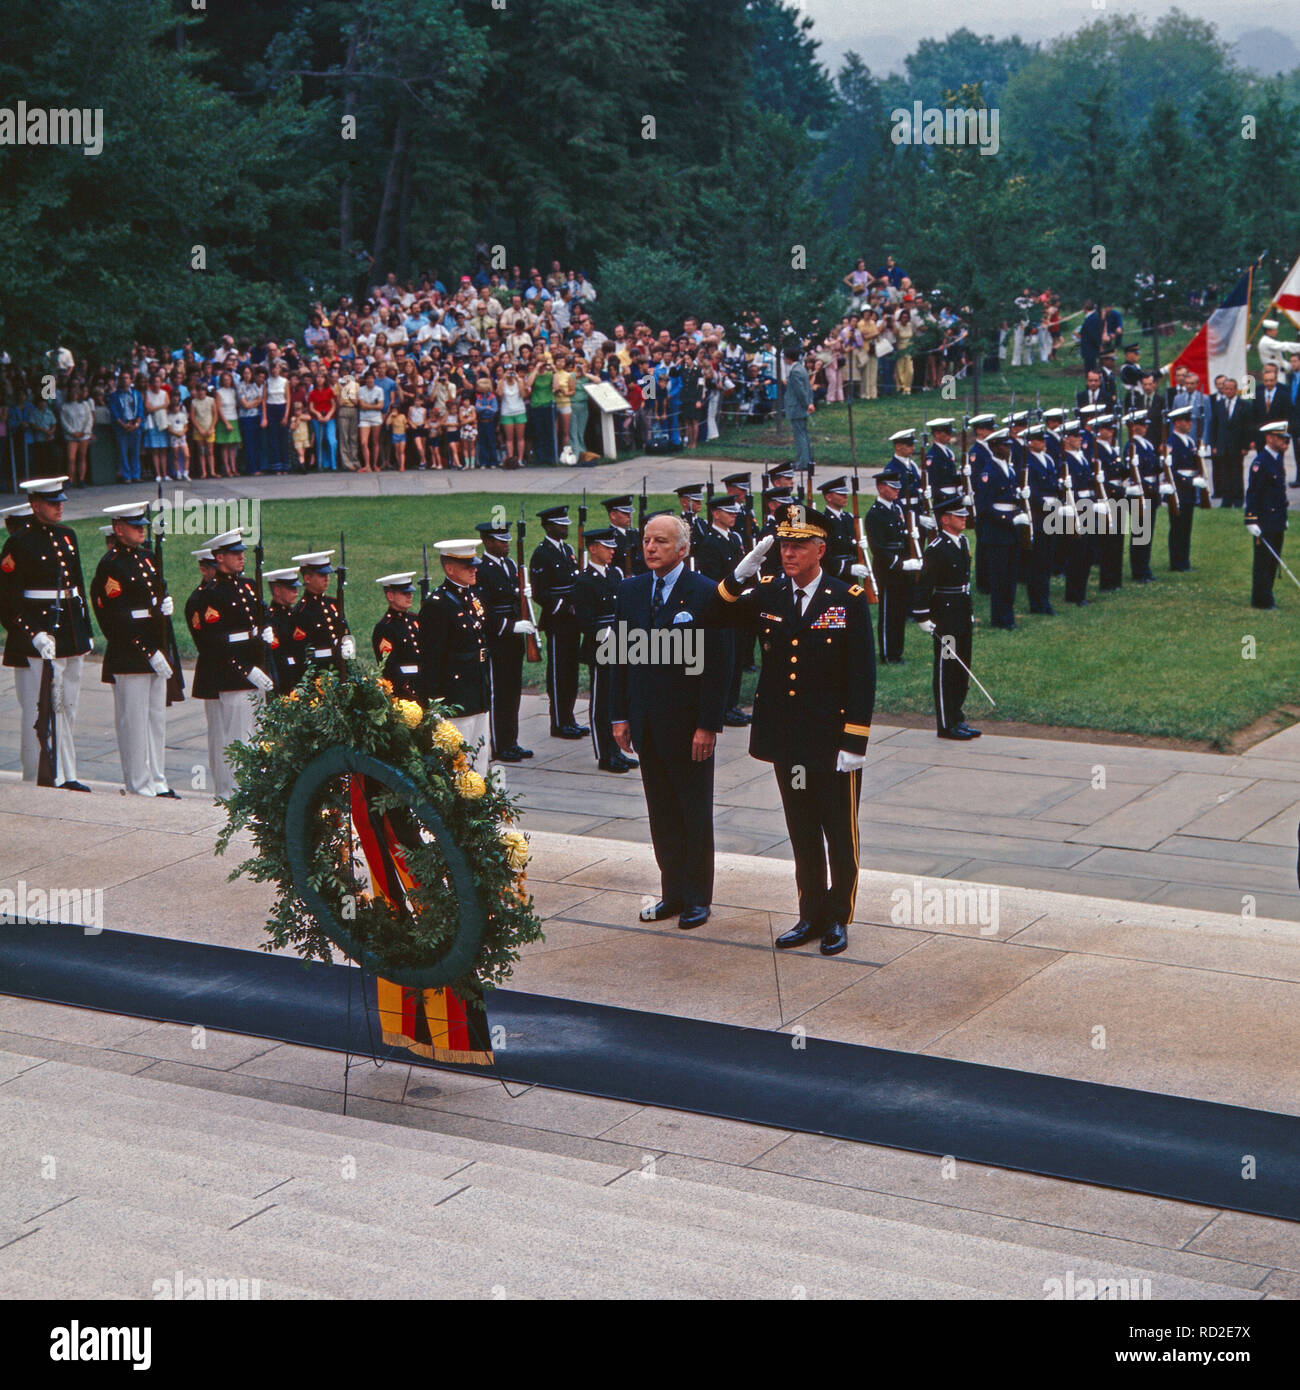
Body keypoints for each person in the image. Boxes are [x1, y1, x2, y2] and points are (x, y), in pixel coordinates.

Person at [704, 504, 875, 955]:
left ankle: (839, 916)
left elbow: (862, 675)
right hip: (787, 739)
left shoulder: (847, 598)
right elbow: (713, 615)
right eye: (783, 545)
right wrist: (736, 578)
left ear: (821, 549)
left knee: (839, 832)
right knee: (801, 830)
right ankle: (810, 914)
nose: (788, 553)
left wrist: (854, 741)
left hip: (832, 739)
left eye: (798, 545)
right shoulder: (769, 593)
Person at [610, 513, 728, 930]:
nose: (650, 548)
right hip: (646, 724)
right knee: (661, 814)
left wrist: (708, 724)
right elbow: (618, 658)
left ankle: (698, 898)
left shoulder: (705, 592)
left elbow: (719, 666)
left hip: (688, 726)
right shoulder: (630, 590)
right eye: (645, 540)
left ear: (683, 549)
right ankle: (672, 893)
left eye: (660, 541)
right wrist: (619, 716)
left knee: (694, 812)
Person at [0, 477, 94, 789]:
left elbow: (77, 588)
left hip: (68, 632)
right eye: (53, 503)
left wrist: (85, 630)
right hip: (39, 637)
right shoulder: (19, 542)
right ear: (35, 505)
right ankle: (49, 774)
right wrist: (32, 634)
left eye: (61, 501)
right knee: (44, 707)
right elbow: (9, 601)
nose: (60, 507)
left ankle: (67, 771)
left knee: (67, 704)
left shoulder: (68, 536)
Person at [90, 500, 181, 797]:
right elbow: (114, 617)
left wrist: (164, 603)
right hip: (130, 653)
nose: (142, 530)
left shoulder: (148, 556)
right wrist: (148, 650)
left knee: (155, 717)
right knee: (134, 722)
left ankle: (157, 778)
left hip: (154, 645)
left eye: (143, 525)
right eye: (135, 526)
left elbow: (154, 593)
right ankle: (138, 782)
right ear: (118, 529)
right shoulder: (111, 565)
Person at [189, 530, 275, 801]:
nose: (241, 557)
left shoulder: (248, 585)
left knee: (253, 734)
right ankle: (232, 792)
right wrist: (246, 670)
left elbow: (262, 616)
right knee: (235, 737)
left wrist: (268, 631)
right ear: (219, 558)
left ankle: (250, 789)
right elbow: (214, 643)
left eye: (242, 552)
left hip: (255, 670)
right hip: (233, 676)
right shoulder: (212, 595)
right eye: (235, 553)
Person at [418, 539, 492, 776]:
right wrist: (435, 705)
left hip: (478, 691)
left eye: (474, 564)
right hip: (455, 697)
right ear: (449, 569)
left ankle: (479, 805)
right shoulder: (438, 605)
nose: (474, 569)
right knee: (456, 764)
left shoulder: (471, 597)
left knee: (479, 758)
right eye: (467, 566)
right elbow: (431, 659)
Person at [912, 496, 981, 741]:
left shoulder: (962, 542)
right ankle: (945, 724)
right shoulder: (937, 548)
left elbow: (964, 582)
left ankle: (957, 717)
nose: (964, 518)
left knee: (962, 668)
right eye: (958, 515)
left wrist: (969, 611)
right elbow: (924, 586)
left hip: (961, 611)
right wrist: (922, 616)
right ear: (944, 519)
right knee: (946, 670)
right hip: (946, 615)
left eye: (964, 515)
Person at [573, 528, 634, 773]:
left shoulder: (614, 575)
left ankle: (616, 750)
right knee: (601, 703)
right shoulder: (584, 580)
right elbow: (584, 621)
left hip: (619, 646)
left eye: (613, 547)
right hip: (599, 648)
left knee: (616, 699)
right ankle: (604, 754)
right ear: (592, 549)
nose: (612, 551)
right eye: (607, 547)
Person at [474, 520, 534, 762]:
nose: (506, 544)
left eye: (508, 540)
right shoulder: (482, 569)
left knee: (512, 693)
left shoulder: (509, 564)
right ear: (488, 542)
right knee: (498, 695)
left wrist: (523, 595)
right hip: (497, 640)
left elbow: (510, 598)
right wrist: (511, 625)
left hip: (513, 641)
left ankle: (511, 741)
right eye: (501, 541)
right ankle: (499, 744)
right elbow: (484, 611)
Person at [529, 505, 586, 738]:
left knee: (570, 671)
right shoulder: (542, 554)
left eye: (566, 524)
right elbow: (540, 593)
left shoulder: (568, 549)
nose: (565, 528)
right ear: (548, 526)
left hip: (572, 621)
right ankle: (559, 722)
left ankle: (569, 717)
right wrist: (565, 605)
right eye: (560, 525)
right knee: (558, 673)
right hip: (556, 620)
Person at [692, 493, 748, 726]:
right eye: (728, 511)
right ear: (716, 514)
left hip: (738, 605)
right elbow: (713, 578)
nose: (734, 514)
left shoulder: (734, 538)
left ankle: (732, 704)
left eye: (735, 511)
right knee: (723, 660)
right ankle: (723, 707)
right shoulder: (710, 543)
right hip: (722, 605)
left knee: (737, 657)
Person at [864, 462, 919, 663]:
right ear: (880, 487)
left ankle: (897, 651)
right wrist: (901, 564)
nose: (897, 490)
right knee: (888, 614)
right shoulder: (875, 514)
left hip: (902, 568)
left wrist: (910, 558)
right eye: (892, 487)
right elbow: (878, 548)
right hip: (887, 570)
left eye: (898, 487)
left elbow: (903, 540)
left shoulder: (897, 509)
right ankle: (887, 653)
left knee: (899, 612)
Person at [1245, 422, 1291, 610]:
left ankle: (1268, 595)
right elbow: (1253, 493)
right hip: (1264, 519)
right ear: (1269, 438)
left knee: (1274, 560)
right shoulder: (1260, 462)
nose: (1284, 442)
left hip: (1277, 518)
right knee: (1263, 561)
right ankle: (1261, 599)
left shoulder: (1277, 459)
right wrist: (1251, 519)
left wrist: (1283, 515)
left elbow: (1279, 491)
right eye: (1280, 438)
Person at [291, 551, 354, 674]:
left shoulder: (334, 603)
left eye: (328, 574)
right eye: (321, 575)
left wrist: (349, 647)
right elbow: (300, 651)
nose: (327, 578)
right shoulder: (301, 611)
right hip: (319, 673)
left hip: (340, 668)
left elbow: (346, 631)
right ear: (307, 578)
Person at [371, 571, 422, 701]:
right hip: (403, 692)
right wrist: (407, 692)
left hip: (423, 685)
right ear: (390, 596)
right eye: (405, 593)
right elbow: (389, 668)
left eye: (410, 592)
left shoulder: (416, 620)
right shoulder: (385, 627)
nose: (410, 596)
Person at [1166, 406, 1205, 571]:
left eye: (1190, 420)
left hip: (1189, 489)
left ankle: (1184, 560)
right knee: (1178, 526)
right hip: (1179, 489)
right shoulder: (1171, 442)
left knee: (1186, 526)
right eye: (1186, 420)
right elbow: (1171, 471)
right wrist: (1189, 481)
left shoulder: (1189, 441)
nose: (1190, 423)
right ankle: (1177, 562)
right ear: (1177, 422)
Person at [1125, 411, 1160, 583]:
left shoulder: (1146, 444)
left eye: (1146, 424)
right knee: (1140, 532)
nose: (1145, 427)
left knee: (1148, 532)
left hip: (1150, 491)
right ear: (1133, 426)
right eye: (1141, 424)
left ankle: (1145, 567)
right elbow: (1131, 473)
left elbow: (1153, 467)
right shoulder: (1130, 446)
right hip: (1140, 493)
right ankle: (1138, 570)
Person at [263, 566, 307, 694]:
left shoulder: (295, 615)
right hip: (282, 680)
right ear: (277, 590)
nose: (296, 592)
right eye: (291, 588)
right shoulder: (269, 619)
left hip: (298, 678)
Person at [109, 372, 144, 483]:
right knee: (123, 452)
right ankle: (126, 476)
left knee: (135, 452)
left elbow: (140, 409)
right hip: (122, 425)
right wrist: (123, 424)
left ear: (131, 380)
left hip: (134, 424)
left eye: (127, 378)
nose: (125, 380)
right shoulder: (115, 395)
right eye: (123, 378)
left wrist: (137, 423)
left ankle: (136, 475)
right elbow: (114, 412)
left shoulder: (136, 394)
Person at [782, 343, 813, 471]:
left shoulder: (794, 371)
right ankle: (807, 460)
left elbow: (800, 391)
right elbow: (807, 389)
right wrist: (809, 403)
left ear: (788, 358)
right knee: (803, 434)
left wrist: (807, 404)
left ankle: (803, 463)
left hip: (797, 407)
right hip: (801, 407)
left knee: (800, 436)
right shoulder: (801, 369)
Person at [60, 382, 95, 488]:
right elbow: (63, 421)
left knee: (82, 457)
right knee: (71, 458)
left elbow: (89, 419)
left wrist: (84, 431)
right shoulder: (65, 406)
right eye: (72, 392)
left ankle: (81, 479)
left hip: (84, 435)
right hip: (72, 436)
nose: (74, 394)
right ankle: (71, 479)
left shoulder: (85, 405)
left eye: (76, 392)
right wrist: (72, 432)